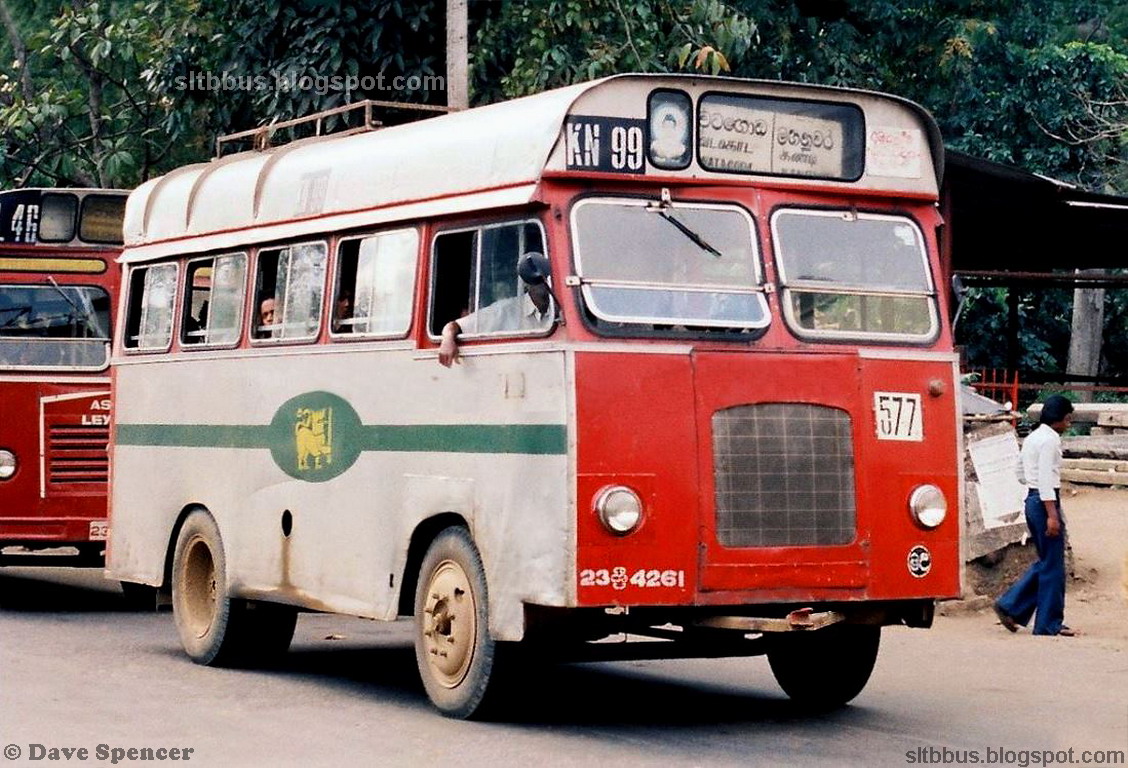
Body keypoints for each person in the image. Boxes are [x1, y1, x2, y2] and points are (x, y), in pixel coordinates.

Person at [994, 394, 1077, 636]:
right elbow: (1046, 480)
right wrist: (1052, 514)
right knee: (1053, 565)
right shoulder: (1050, 440)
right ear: (1059, 419)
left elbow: (1020, 472)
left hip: (1032, 499)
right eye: (1067, 419)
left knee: (1047, 561)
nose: (1068, 424)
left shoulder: (1033, 437)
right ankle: (1046, 622)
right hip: (1045, 501)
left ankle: (1013, 607)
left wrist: (1033, 487)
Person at [438, 252, 554, 367]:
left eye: (547, 276)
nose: (544, 281)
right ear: (526, 282)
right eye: (536, 278)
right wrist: (448, 340)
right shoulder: (505, 310)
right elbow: (454, 326)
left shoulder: (559, 310)